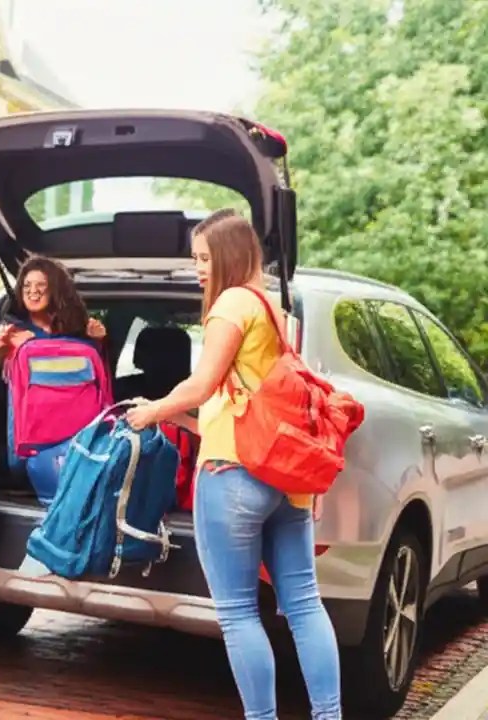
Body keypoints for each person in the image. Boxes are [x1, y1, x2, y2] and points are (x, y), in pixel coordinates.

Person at [126, 209, 341, 720]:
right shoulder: (276, 313)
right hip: (283, 480)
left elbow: (201, 385)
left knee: (240, 612)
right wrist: (178, 421)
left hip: (233, 479)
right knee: (305, 604)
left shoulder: (230, 305)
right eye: (195, 259)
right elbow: (237, 408)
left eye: (203, 257)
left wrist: (152, 409)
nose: (197, 268)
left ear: (227, 255)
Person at [0, 254, 106, 400]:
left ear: (55, 289)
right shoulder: (10, 332)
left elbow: (98, 385)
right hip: (29, 419)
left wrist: (100, 342)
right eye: (26, 285)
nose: (32, 291)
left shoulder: (78, 332)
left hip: (76, 418)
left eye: (41, 285)